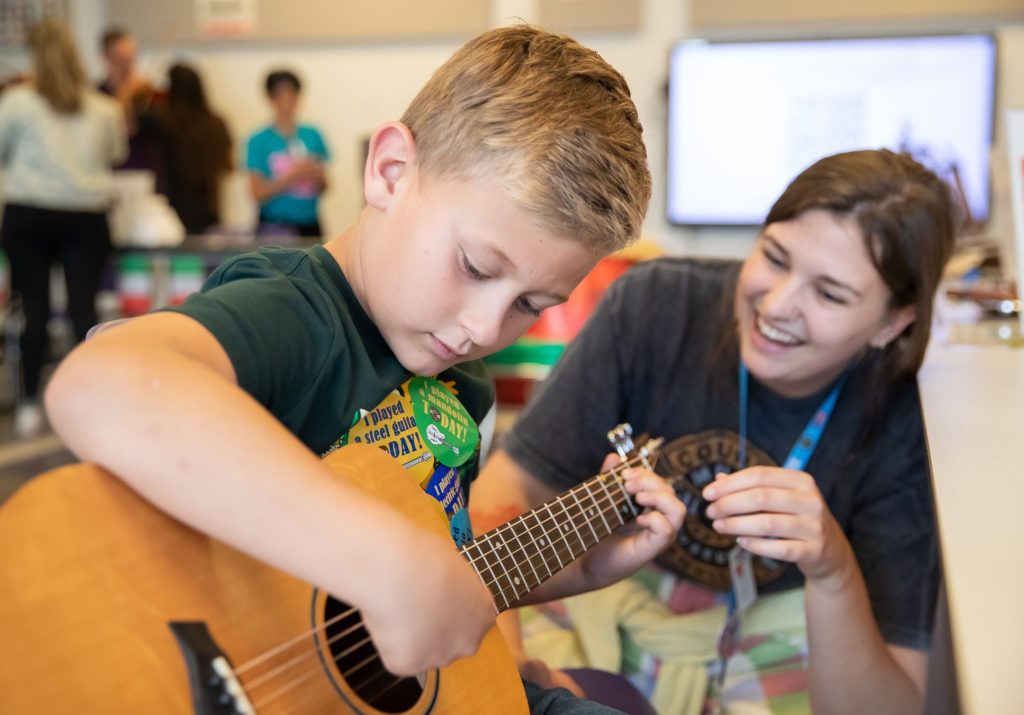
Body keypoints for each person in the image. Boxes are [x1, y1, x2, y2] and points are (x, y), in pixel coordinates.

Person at [44, 24, 684, 713]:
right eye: (475, 267)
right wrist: (385, 561)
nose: (485, 329)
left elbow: (429, 586)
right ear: (391, 171)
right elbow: (101, 382)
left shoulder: (464, 388)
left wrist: (575, 564)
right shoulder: (294, 311)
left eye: (531, 304)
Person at [472, 148, 956, 714]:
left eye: (829, 294)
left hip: (782, 639)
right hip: (607, 601)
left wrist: (831, 569)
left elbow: (890, 705)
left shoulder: (905, 415)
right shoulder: (656, 305)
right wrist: (505, 671)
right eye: (774, 257)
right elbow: (504, 495)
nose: (777, 305)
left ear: (893, 323)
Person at [0, 18, 126, 438]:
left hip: (29, 213)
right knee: (83, 312)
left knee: (33, 310)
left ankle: (29, 403)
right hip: (84, 216)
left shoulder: (17, 101)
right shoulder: (104, 107)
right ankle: (90, 405)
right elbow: (114, 154)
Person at [245, 69, 329, 237]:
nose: (287, 101)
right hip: (274, 224)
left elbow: (325, 185)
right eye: (281, 95)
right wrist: (293, 177)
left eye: (292, 95)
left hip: (310, 223)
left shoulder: (312, 135)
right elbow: (257, 192)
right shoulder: (258, 140)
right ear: (271, 98)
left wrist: (315, 176)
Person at [156, 62, 233, 234]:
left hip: (170, 207)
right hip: (208, 206)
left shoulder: (163, 122)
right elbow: (229, 165)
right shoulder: (215, 123)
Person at [96, 26, 161, 177]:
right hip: (110, 171)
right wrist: (124, 97)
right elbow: (115, 133)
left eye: (131, 59)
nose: (128, 66)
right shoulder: (97, 95)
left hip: (145, 170)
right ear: (106, 57)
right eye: (121, 60)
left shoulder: (145, 91)